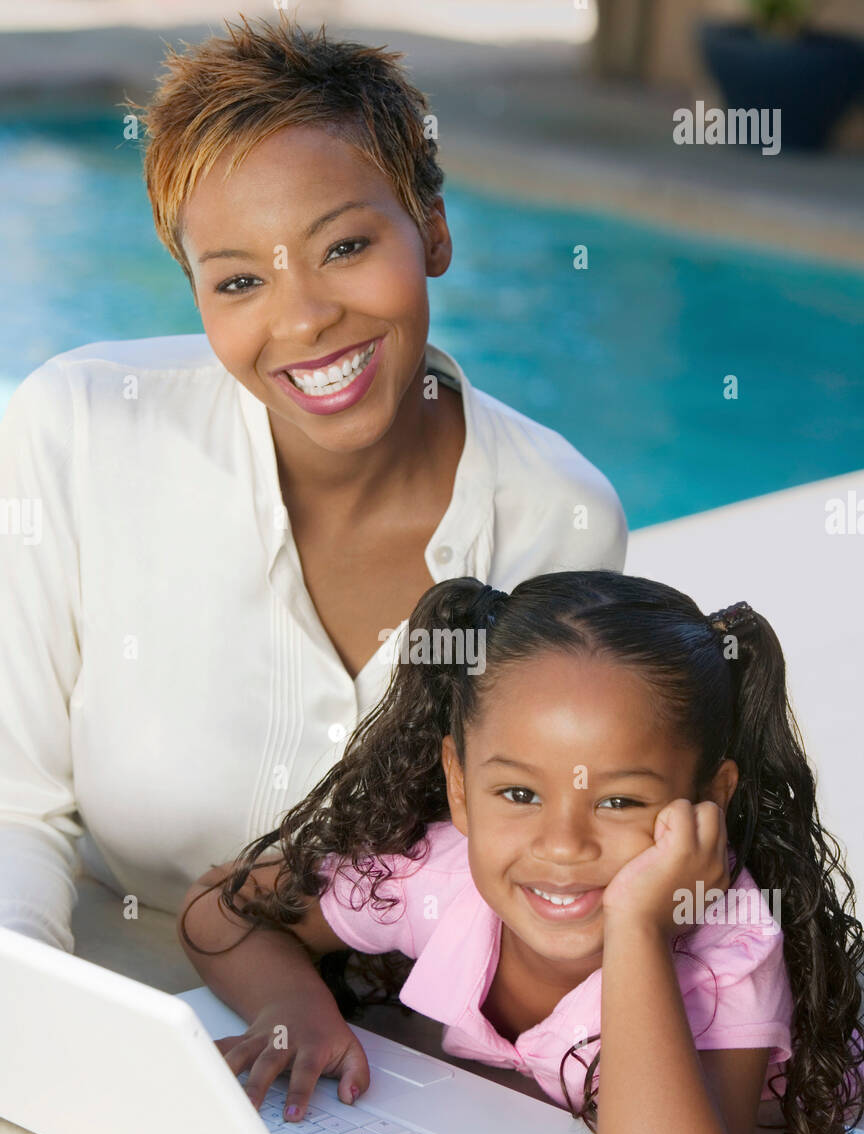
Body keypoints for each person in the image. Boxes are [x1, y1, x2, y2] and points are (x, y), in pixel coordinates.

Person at [0, 18, 626, 953]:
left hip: (385, 1026)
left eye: (344, 247)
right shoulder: (78, 430)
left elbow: (516, 866)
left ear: (433, 229)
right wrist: (38, 1011)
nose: (303, 321)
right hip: (94, 982)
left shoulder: (556, 521)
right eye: (239, 282)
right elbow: (12, 808)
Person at [179, 570, 864, 1134]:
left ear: (710, 800)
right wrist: (293, 1005)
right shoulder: (434, 878)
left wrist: (638, 929)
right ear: (459, 785)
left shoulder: (729, 945)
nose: (562, 846)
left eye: (620, 802)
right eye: (517, 792)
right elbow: (218, 903)